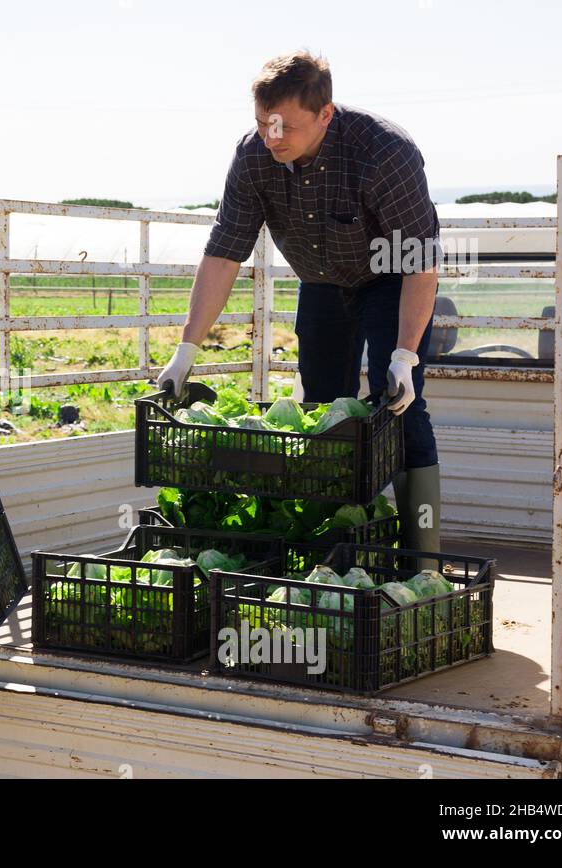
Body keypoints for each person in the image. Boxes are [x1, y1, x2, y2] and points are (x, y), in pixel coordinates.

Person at [157, 50, 441, 552]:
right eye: (263, 123)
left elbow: (420, 261)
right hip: (322, 283)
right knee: (322, 415)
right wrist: (187, 350)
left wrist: (403, 356)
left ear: (325, 113)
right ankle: (334, 545)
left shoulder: (384, 152)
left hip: (390, 280)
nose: (273, 137)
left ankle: (423, 557)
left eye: (286, 125)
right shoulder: (252, 158)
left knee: (398, 409)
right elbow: (224, 254)